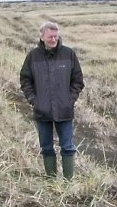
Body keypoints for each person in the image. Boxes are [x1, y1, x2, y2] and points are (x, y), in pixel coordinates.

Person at [19, 22, 84, 178]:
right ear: (42, 37)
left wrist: (70, 99)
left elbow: (78, 81)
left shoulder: (69, 54)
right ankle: (51, 182)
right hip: (42, 111)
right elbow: (25, 80)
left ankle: (68, 184)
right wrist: (34, 100)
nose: (54, 39)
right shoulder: (32, 56)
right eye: (50, 37)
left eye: (56, 36)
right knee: (46, 148)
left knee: (68, 147)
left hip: (65, 110)